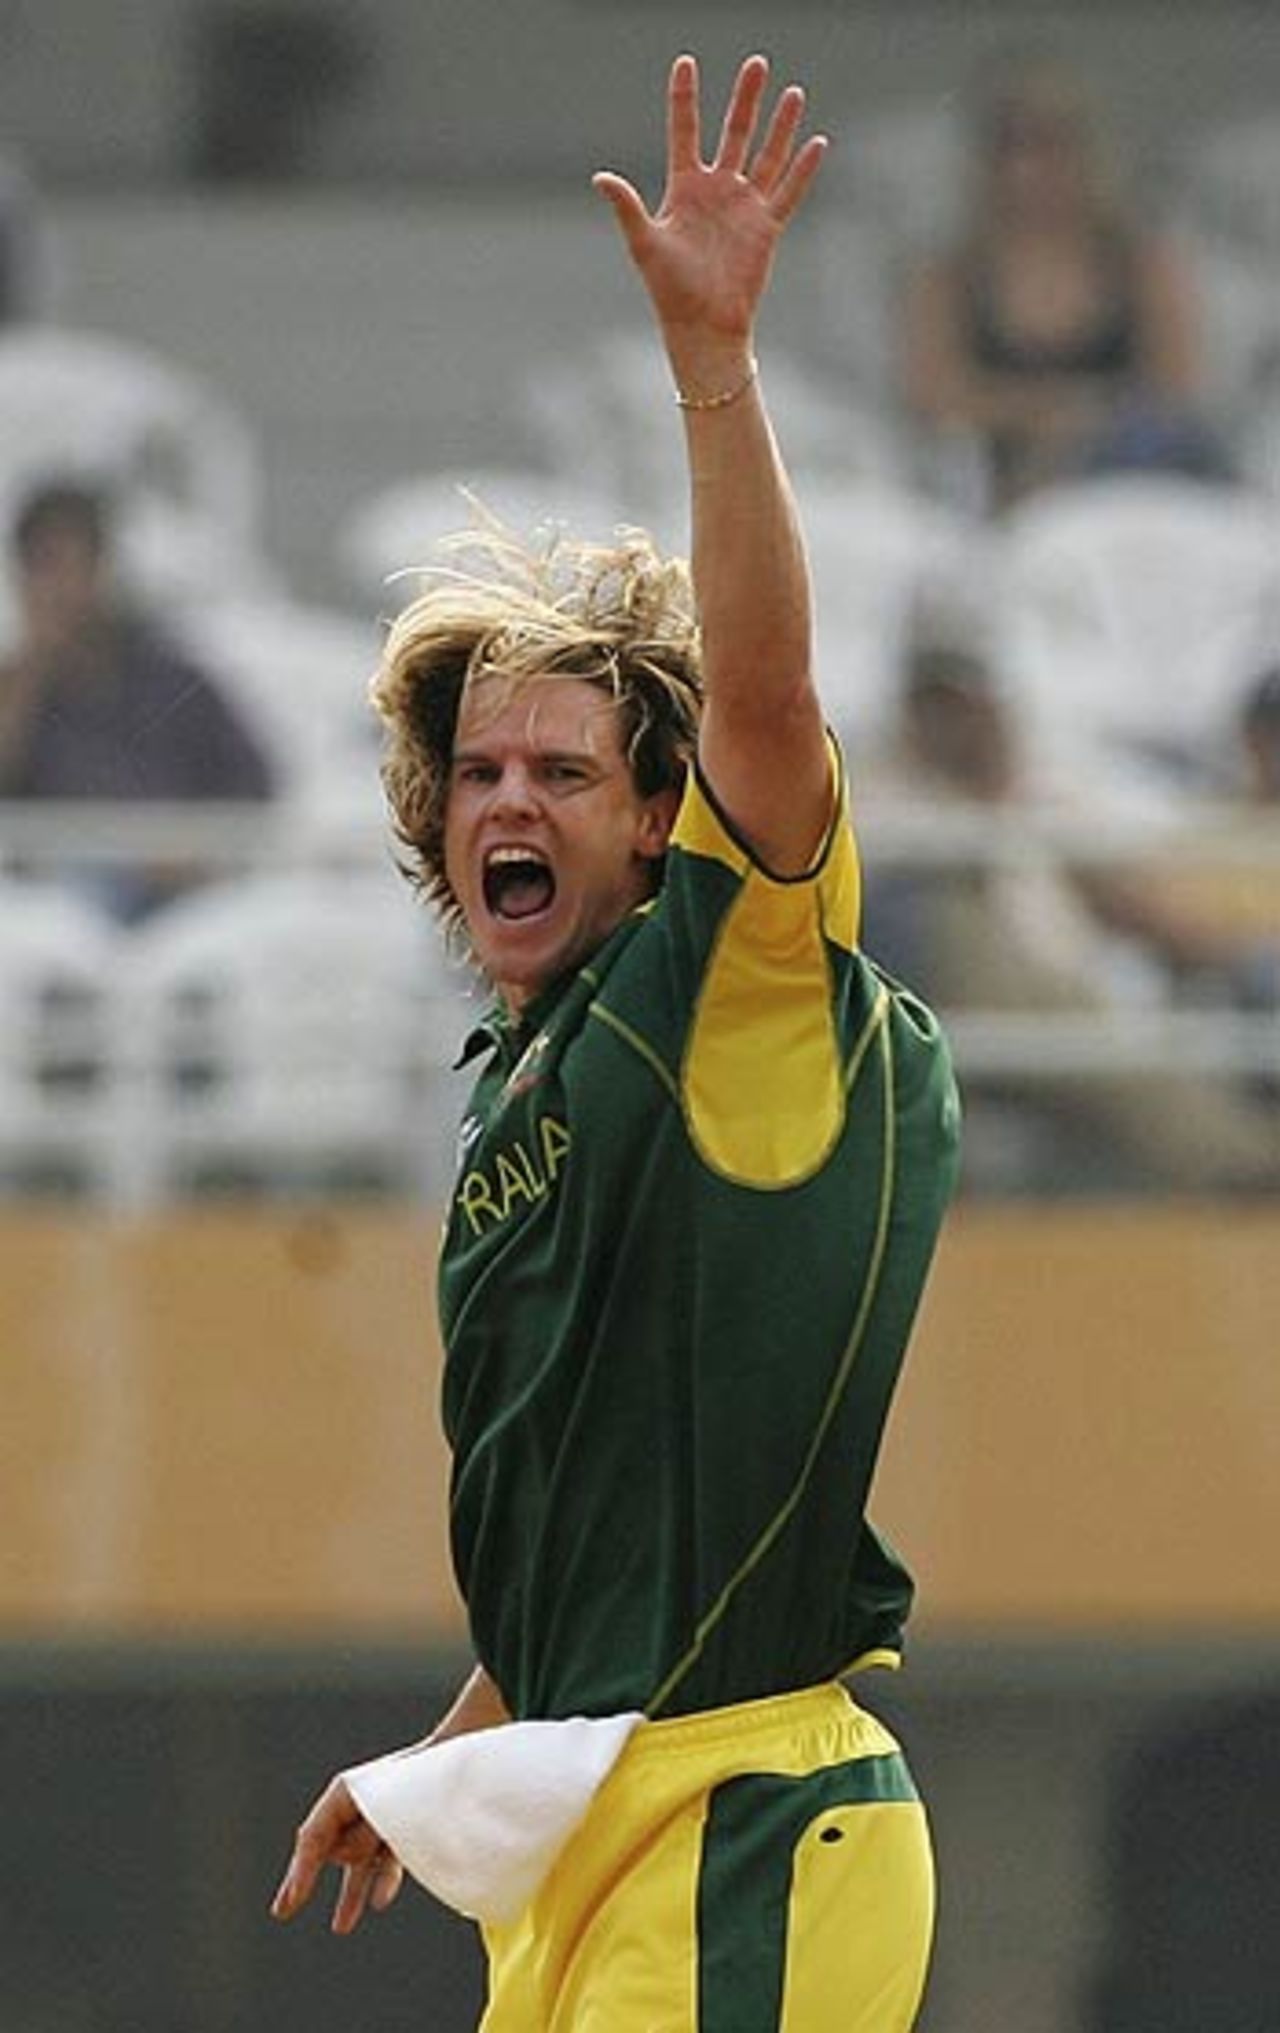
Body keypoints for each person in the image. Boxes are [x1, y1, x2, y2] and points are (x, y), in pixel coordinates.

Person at [271, 54, 960, 2030]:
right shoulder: (528, 1090)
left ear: (657, 817)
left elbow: (759, 697)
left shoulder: (711, 990)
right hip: (589, 1834)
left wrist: (714, 370)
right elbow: (603, 1544)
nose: (511, 791)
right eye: (479, 763)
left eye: (564, 764)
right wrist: (445, 1757)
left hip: (749, 1810)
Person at [863, 638, 1280, 1192]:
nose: (959, 724)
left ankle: (1239, 1162)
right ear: (911, 718)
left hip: (1092, 987)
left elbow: (1145, 912)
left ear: (997, 707)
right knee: (1074, 1019)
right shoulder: (889, 798)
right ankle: (1245, 1166)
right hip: (962, 995)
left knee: (1128, 1027)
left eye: (967, 705)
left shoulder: (1053, 797)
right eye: (937, 709)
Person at [900, 57, 1220, 511]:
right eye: (1012, 147)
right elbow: (934, 398)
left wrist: (1089, 426)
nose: (1030, 170)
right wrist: (1048, 417)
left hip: (1137, 477)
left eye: (1051, 146)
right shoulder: (949, 277)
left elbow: (1176, 386)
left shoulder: (1142, 262)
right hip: (1012, 489)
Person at [0, 478, 275, 918]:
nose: (62, 588)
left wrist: (191, 849)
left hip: (185, 906)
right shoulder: (15, 690)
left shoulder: (171, 679)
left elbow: (252, 784)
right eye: (45, 566)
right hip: (57, 917)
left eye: (75, 565)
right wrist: (29, 674)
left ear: (103, 569)